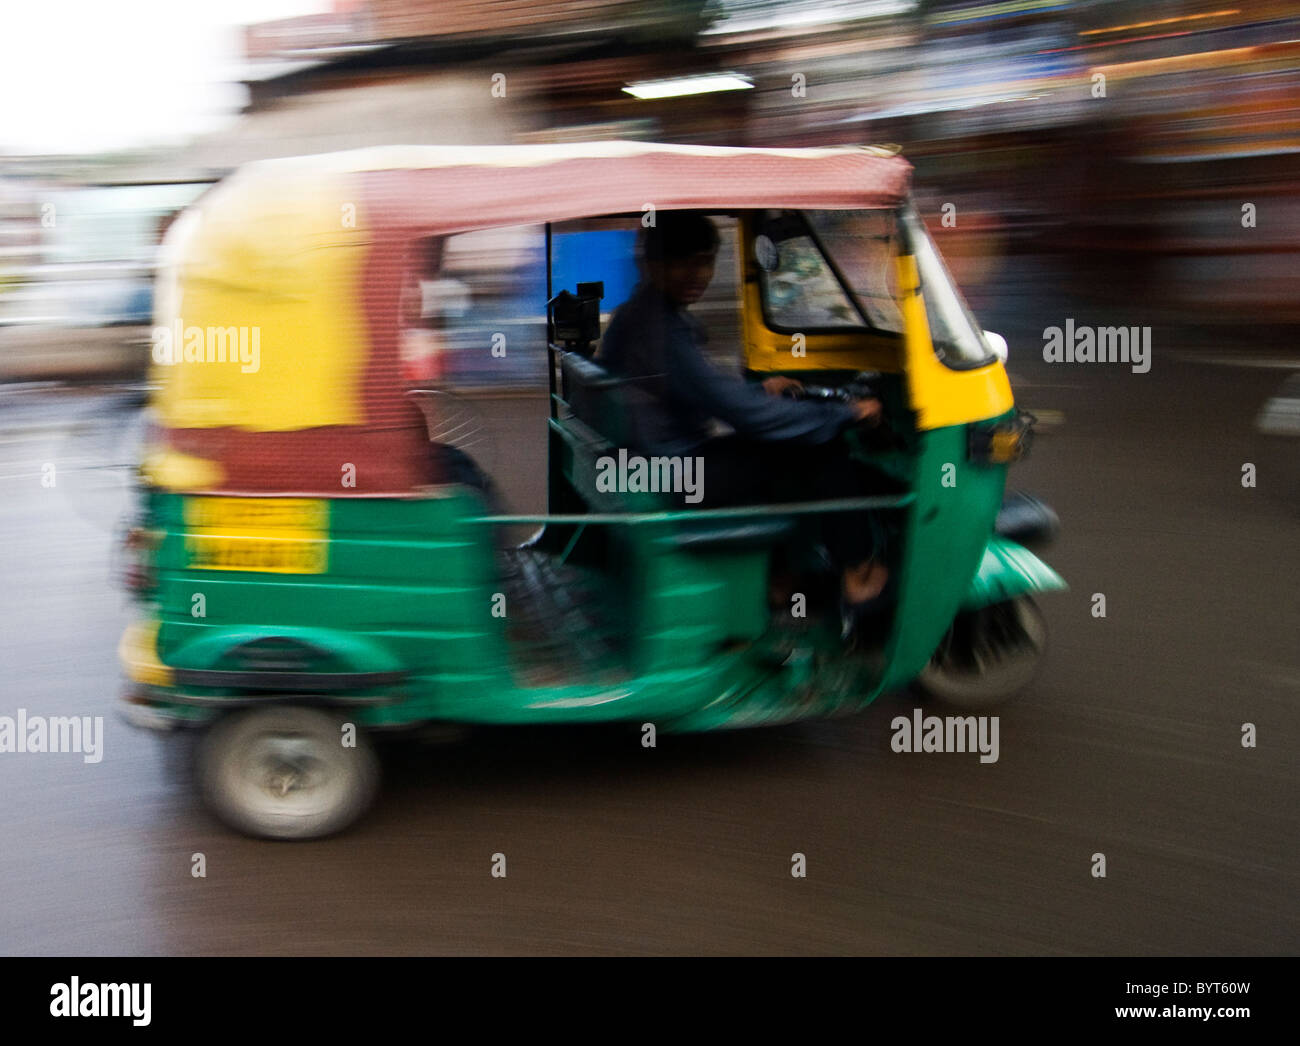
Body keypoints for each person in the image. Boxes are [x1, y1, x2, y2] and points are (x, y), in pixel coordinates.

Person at [597, 210, 889, 612]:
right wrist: (844, 414)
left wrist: (756, 390)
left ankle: (778, 579)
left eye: (705, 260)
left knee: (776, 449)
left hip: (646, 464)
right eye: (682, 262)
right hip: (671, 474)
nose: (697, 273)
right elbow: (742, 414)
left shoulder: (640, 314)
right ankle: (856, 573)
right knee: (820, 448)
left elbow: (699, 389)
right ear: (651, 264)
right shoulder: (661, 327)